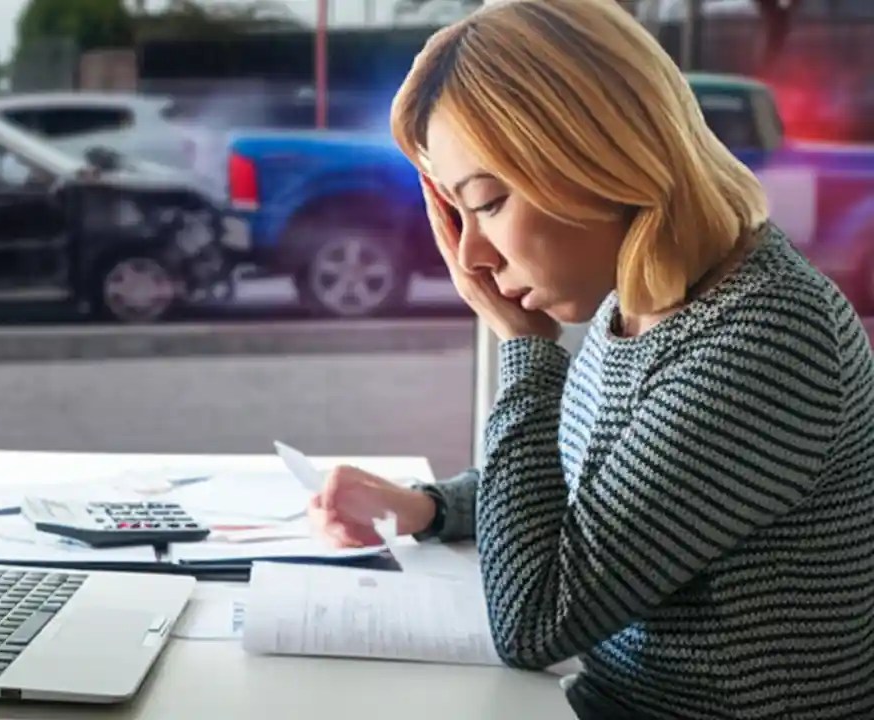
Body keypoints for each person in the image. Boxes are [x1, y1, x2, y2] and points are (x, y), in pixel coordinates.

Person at [306, 1, 874, 718]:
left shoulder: (766, 342)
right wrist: (428, 507)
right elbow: (596, 490)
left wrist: (523, 346)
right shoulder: (645, 299)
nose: (473, 257)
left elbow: (535, 622)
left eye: (484, 203)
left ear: (593, 156)